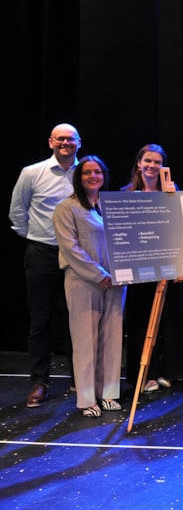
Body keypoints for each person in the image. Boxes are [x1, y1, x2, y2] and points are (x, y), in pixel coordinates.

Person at [9, 123, 80, 407]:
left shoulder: (85, 172)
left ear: (79, 142)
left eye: (70, 139)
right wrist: (38, 237)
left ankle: (81, 379)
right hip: (41, 253)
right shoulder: (32, 172)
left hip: (76, 256)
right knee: (40, 321)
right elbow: (18, 211)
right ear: (51, 142)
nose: (65, 143)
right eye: (60, 139)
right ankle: (39, 382)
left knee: (76, 318)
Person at [52, 155, 126, 418]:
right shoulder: (67, 208)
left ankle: (108, 393)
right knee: (85, 339)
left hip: (116, 282)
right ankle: (86, 398)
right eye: (87, 173)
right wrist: (99, 274)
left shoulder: (110, 207)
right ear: (78, 177)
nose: (93, 176)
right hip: (83, 281)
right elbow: (71, 249)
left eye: (97, 172)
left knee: (112, 338)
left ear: (104, 176)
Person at [120, 144, 183, 393]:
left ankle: (171, 371)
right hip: (139, 269)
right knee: (140, 321)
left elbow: (181, 230)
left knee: (171, 319)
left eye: (157, 162)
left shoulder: (171, 191)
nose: (152, 166)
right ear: (139, 163)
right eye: (147, 161)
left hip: (168, 265)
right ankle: (144, 373)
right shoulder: (126, 193)